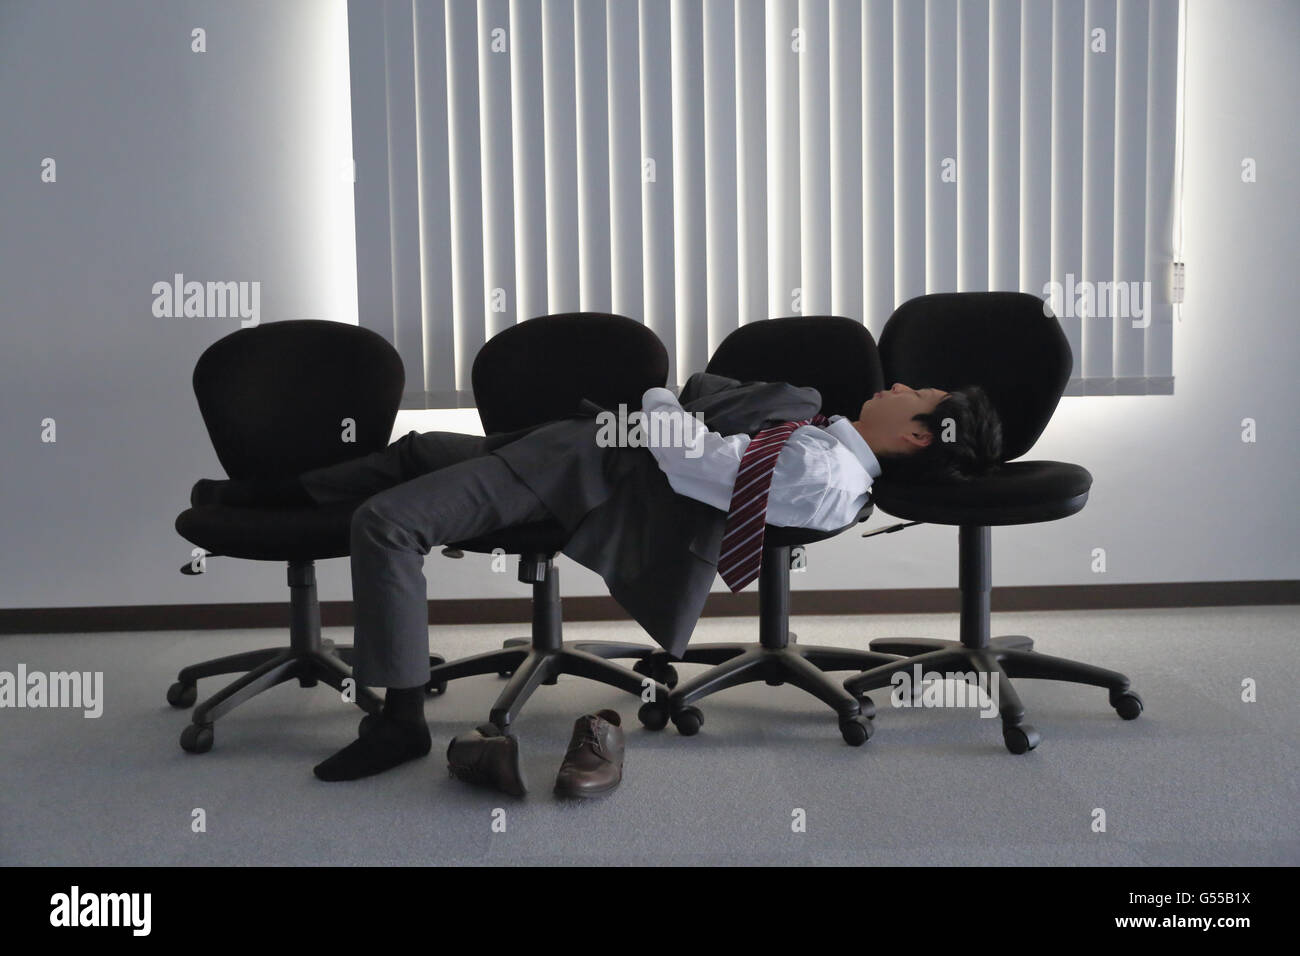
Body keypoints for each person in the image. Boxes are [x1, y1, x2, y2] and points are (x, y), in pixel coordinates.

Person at [192, 375, 1001, 781]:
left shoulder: (826, 473)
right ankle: (265, 499)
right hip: (576, 449)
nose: (898, 384)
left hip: (580, 478)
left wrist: (656, 392)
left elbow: (694, 463)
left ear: (922, 435)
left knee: (388, 522)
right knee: (414, 453)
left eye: (916, 393)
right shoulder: (824, 440)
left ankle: (399, 720)